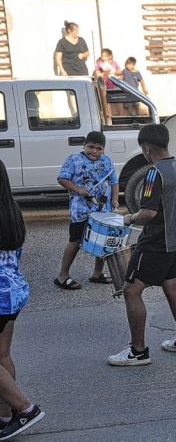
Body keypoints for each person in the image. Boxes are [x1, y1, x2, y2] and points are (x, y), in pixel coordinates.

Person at [107, 124, 176, 366]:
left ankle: (138, 351)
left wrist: (128, 219)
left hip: (156, 242)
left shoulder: (154, 173)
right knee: (171, 286)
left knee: (131, 291)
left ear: (146, 148)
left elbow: (147, 212)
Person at [0, 161, 46, 439]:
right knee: (2, 354)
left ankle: (25, 409)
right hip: (13, 292)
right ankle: (5, 416)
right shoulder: (11, 210)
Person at [55, 131, 119, 290]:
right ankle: (62, 276)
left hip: (103, 210)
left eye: (99, 148)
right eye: (91, 147)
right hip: (80, 210)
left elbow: (114, 182)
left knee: (102, 240)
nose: (94, 151)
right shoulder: (73, 159)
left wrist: (115, 199)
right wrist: (78, 189)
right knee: (75, 241)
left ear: (103, 149)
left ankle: (97, 274)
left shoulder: (107, 161)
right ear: (84, 146)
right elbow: (62, 179)